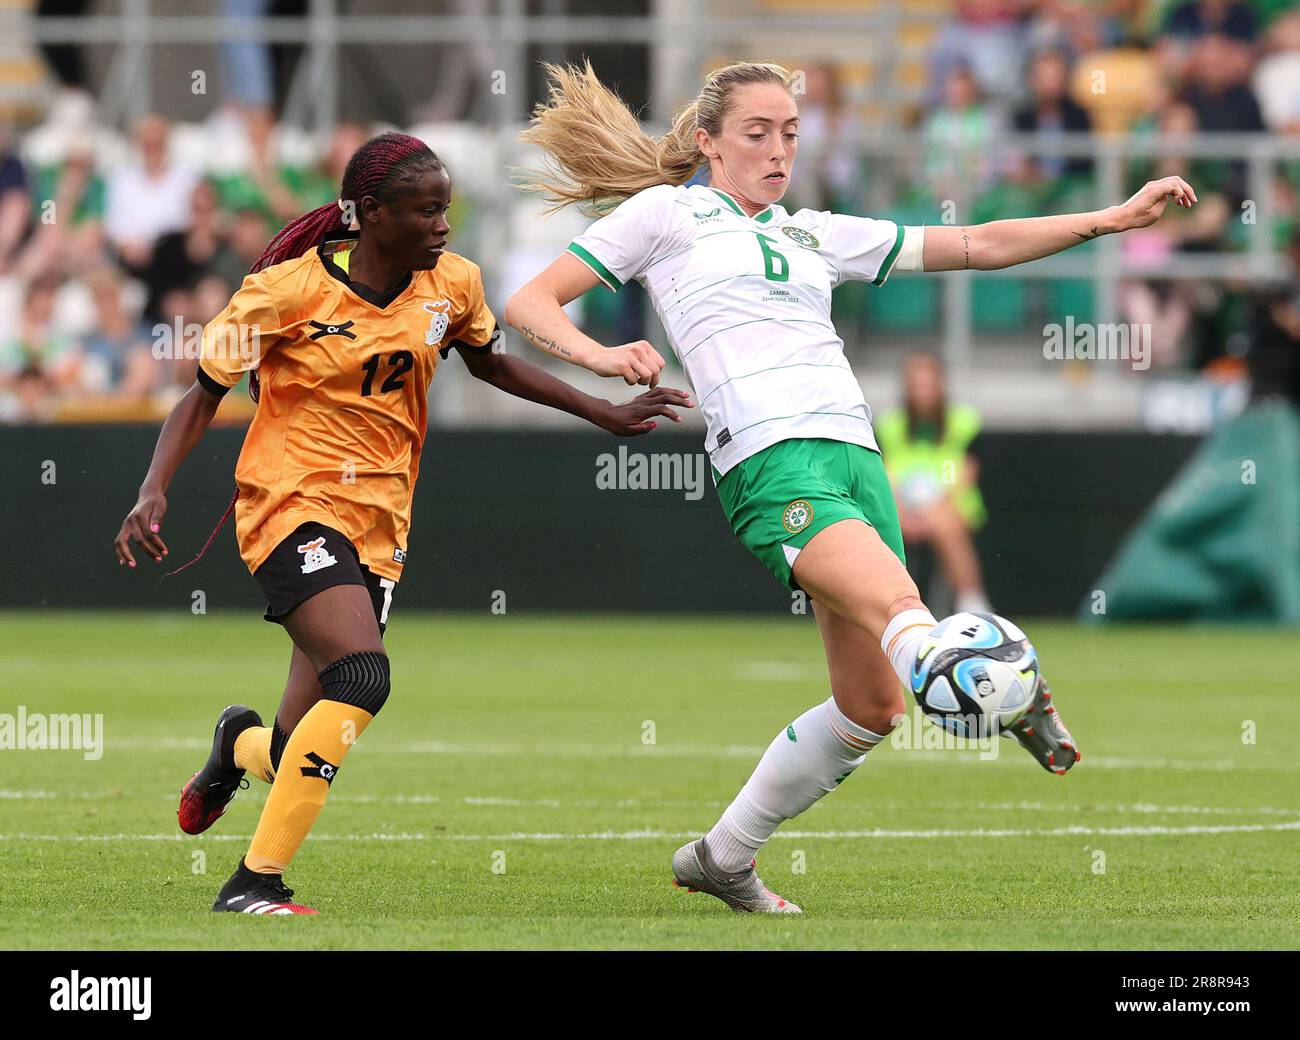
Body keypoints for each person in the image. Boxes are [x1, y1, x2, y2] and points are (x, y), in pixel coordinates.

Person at [506, 60, 1196, 913]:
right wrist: (601, 354)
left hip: (858, 459)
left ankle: (723, 856)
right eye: (757, 132)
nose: (778, 150)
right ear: (708, 142)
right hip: (772, 460)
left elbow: (978, 244)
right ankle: (1001, 684)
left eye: (791, 133)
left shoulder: (813, 233)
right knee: (905, 613)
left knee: (871, 706)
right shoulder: (665, 214)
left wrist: (1111, 218)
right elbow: (530, 303)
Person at [112, 131, 690, 915]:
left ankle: (236, 746)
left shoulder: (453, 285)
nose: (443, 225)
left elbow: (491, 364)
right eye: (426, 211)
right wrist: (152, 489)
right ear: (372, 214)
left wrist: (601, 410)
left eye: (446, 208)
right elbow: (203, 393)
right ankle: (253, 885)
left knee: (291, 748)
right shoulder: (285, 292)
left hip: (381, 524)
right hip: (289, 504)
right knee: (363, 675)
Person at [875, 353, 991, 615]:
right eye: (917, 384)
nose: (923, 392)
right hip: (902, 508)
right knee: (880, 526)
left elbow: (964, 474)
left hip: (951, 506)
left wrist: (932, 509)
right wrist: (903, 512)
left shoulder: (963, 422)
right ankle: (889, 603)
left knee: (944, 521)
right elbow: (886, 474)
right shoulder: (889, 425)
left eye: (929, 384)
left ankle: (971, 600)